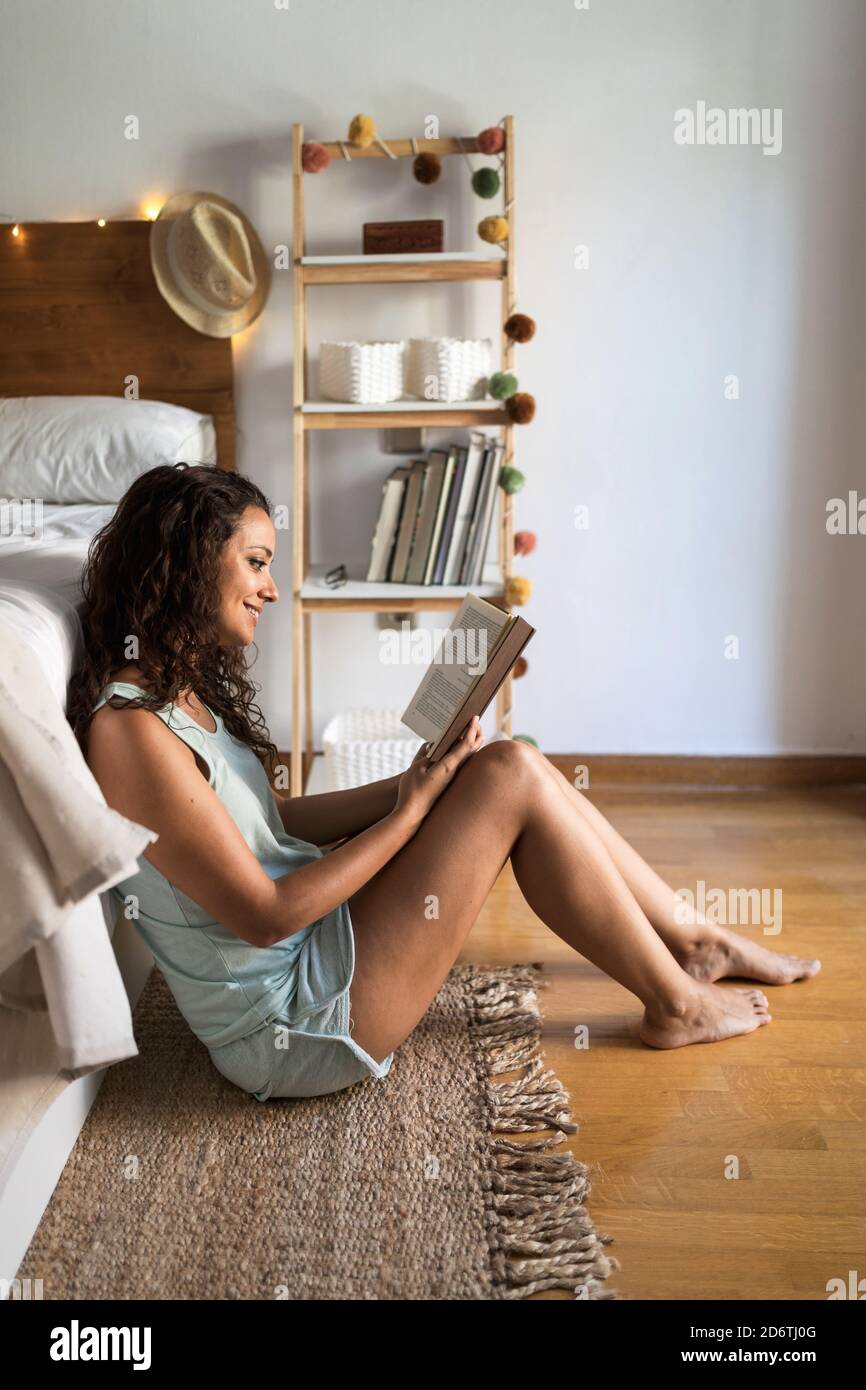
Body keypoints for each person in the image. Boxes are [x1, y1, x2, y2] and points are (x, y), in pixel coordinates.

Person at [69, 465, 820, 1102]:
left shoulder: (178, 694)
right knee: (510, 772)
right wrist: (410, 814)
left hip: (313, 952)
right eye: (256, 562)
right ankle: (679, 1000)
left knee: (506, 765)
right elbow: (265, 916)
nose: (269, 588)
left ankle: (694, 941)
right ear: (192, 561)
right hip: (292, 1025)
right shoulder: (133, 733)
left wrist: (413, 782)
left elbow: (271, 824)